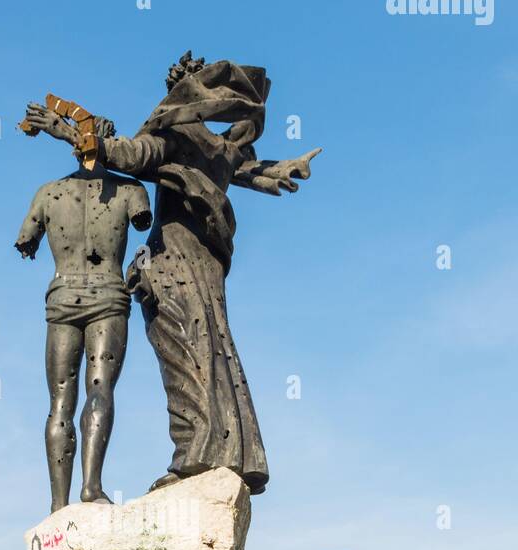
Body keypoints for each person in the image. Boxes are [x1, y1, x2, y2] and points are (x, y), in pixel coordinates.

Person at [23, 53, 320, 497]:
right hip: (205, 263)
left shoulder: (176, 139)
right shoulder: (215, 149)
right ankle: (234, 453)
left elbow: (122, 153)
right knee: (215, 350)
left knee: (183, 354)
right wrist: (280, 170)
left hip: (172, 266)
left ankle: (194, 455)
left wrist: (65, 129)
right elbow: (244, 168)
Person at [16, 114, 153, 512]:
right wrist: (139, 266)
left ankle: (58, 504)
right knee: (100, 388)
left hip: (62, 298)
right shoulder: (131, 191)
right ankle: (91, 487)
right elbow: (148, 239)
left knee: (60, 400)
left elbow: (26, 241)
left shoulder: (48, 193)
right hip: (108, 296)